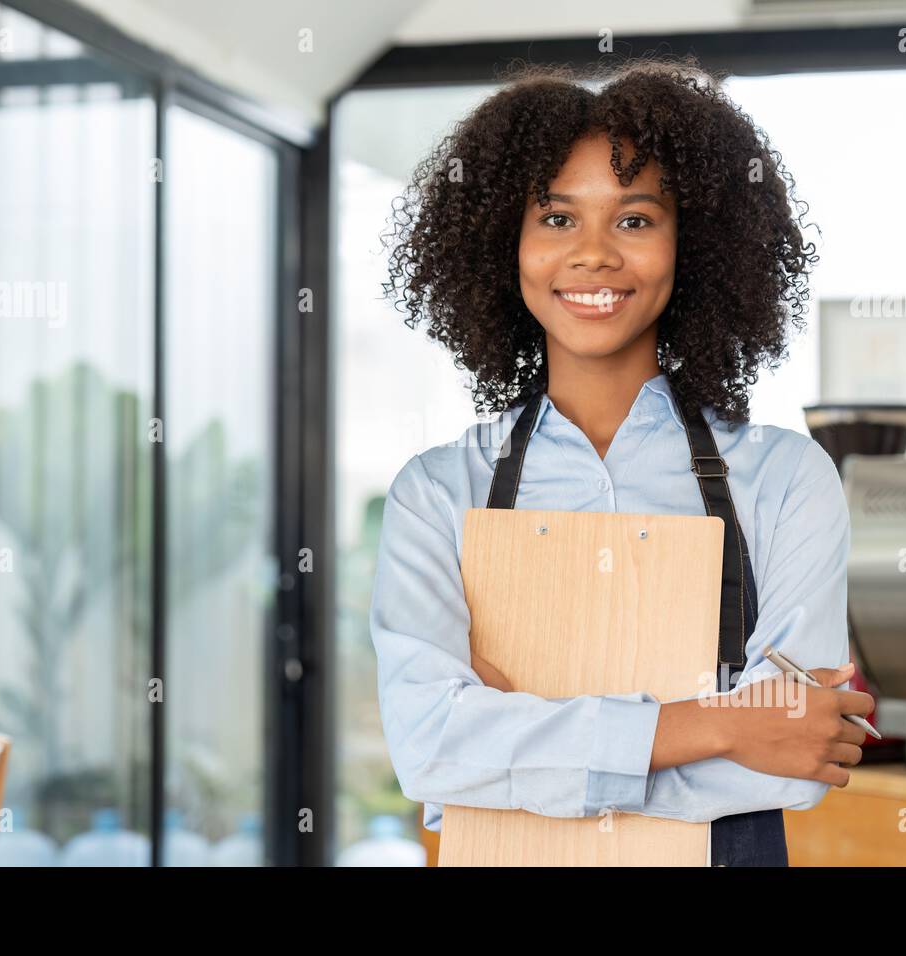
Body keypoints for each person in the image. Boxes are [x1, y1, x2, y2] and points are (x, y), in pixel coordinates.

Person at [370, 58, 874, 866]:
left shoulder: (785, 481)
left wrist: (517, 753)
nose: (595, 254)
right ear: (509, 242)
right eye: (558, 219)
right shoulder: (437, 492)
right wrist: (723, 726)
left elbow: (798, 762)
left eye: (635, 220)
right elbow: (429, 750)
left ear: (695, 243)